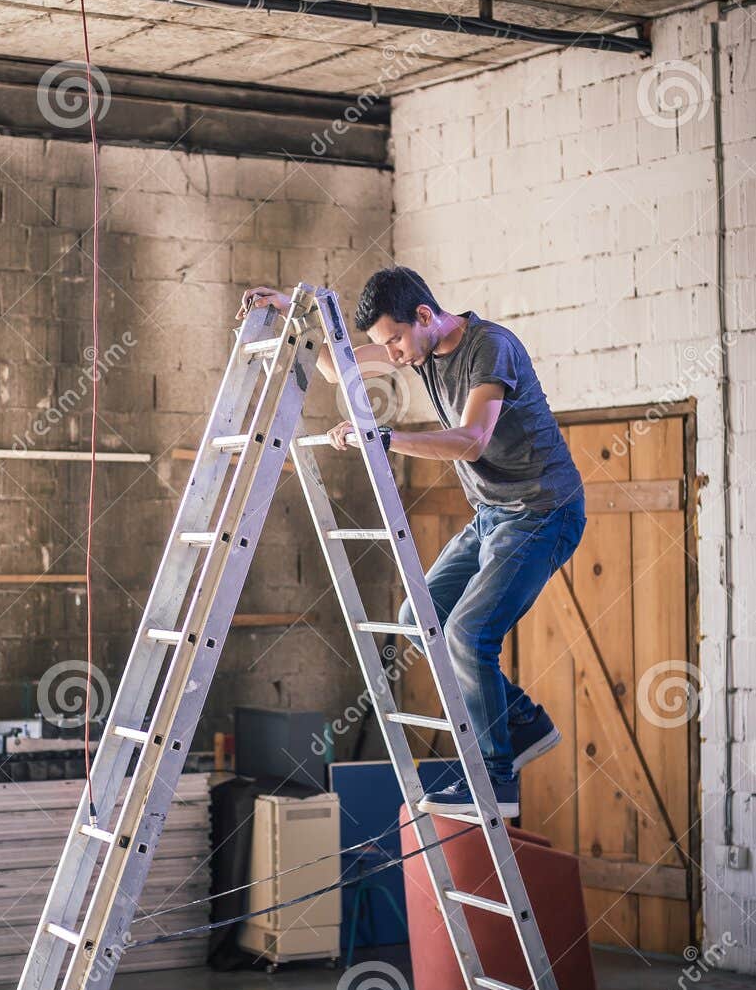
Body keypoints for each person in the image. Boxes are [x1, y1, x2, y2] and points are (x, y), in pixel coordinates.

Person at [240, 269, 585, 821]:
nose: (393, 355)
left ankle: (495, 780)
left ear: (425, 315)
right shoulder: (419, 348)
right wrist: (290, 310)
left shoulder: (490, 348)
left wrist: (383, 438)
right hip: (492, 514)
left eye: (395, 340)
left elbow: (472, 441)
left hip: (543, 511)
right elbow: (339, 368)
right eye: (386, 345)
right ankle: (521, 722)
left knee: (468, 634)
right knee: (415, 620)